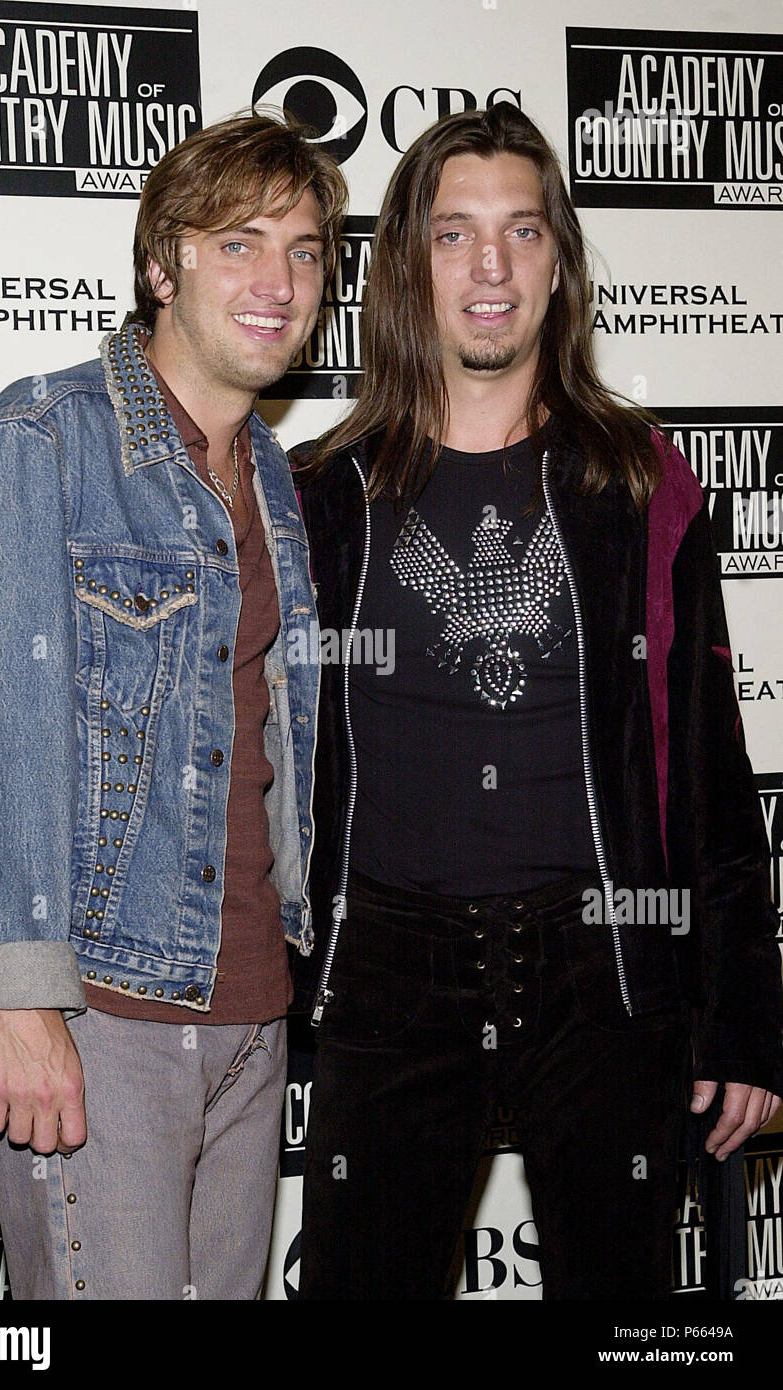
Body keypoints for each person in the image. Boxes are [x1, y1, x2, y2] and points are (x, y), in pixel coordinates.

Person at [291, 101, 783, 1300]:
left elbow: (706, 767)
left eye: (519, 231)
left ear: (558, 258)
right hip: (388, 969)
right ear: (406, 263)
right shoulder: (317, 496)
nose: (490, 267)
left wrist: (745, 1019)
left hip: (604, 967)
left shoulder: (639, 479)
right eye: (453, 235)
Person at [0, 112, 346, 1300]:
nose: (277, 281)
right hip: (106, 1017)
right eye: (238, 242)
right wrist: (19, 1002)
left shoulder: (274, 480)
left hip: (255, 1014)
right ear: (162, 263)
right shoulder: (42, 436)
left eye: (303, 252)